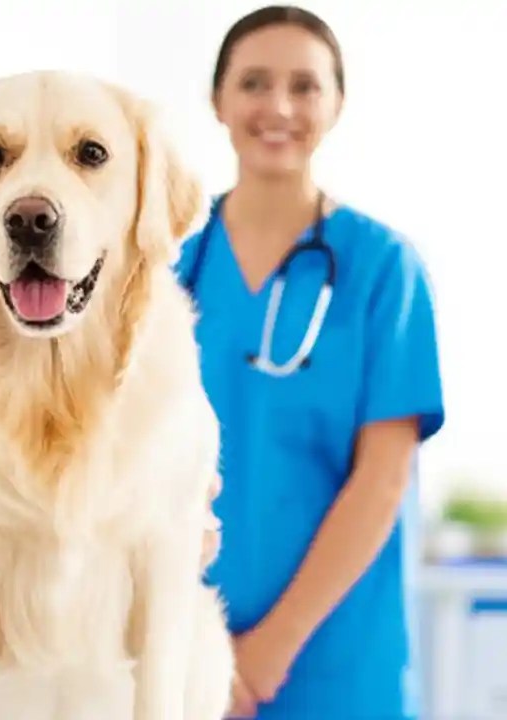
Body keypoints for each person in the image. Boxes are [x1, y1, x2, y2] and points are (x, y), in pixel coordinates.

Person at [175, 6, 446, 719]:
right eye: (254, 83)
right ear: (218, 100)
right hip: (184, 655)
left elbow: (382, 480)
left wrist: (263, 657)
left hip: (336, 663)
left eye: (305, 86)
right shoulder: (169, 269)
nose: (279, 107)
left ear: (337, 104)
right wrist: (195, 652)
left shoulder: (384, 269)